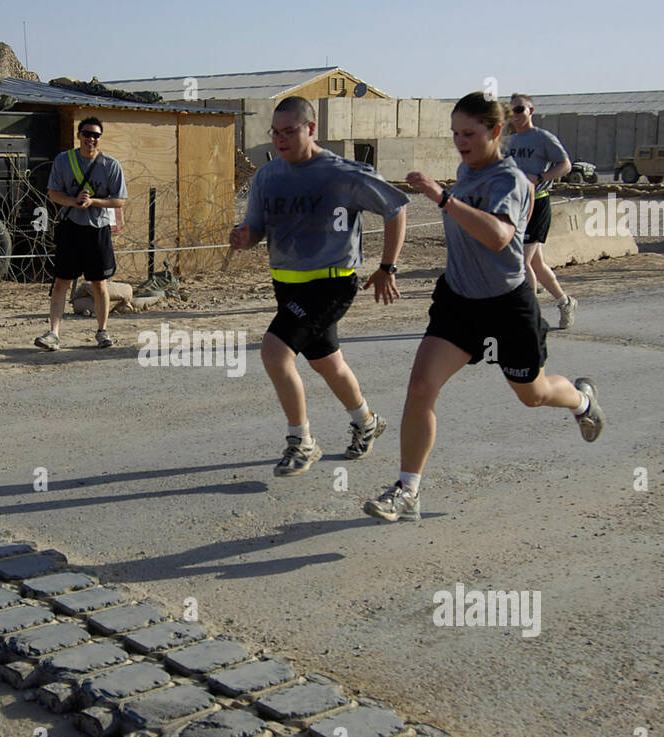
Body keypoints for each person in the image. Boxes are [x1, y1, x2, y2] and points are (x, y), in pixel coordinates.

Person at [364, 92, 605, 523]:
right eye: (455, 133)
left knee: (534, 395)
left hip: (506, 306)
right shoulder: (465, 169)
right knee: (421, 387)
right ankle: (407, 490)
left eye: (469, 133)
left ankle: (583, 402)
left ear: (496, 132)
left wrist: (444, 200)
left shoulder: (509, 180)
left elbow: (497, 237)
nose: (460, 141)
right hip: (458, 301)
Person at [229, 95, 408, 476]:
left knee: (275, 352)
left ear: (311, 129)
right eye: (274, 132)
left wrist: (387, 267)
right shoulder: (267, 176)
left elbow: (396, 208)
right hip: (288, 286)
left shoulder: (342, 173)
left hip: (332, 284)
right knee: (328, 363)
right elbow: (257, 229)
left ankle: (302, 441)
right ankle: (367, 421)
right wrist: (245, 237)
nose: (280, 139)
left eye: (289, 131)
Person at [34, 117, 128, 350]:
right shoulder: (64, 161)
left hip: (97, 229)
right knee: (61, 282)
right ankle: (53, 333)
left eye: (96, 135)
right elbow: (53, 193)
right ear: (79, 135)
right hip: (71, 227)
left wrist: (93, 201)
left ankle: (102, 330)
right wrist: (74, 203)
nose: (91, 139)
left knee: (99, 283)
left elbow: (120, 200)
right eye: (87, 134)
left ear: (100, 139)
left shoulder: (110, 165)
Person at [506, 94, 577, 327]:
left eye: (519, 110)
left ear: (531, 110)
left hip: (538, 202)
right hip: (516, 205)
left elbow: (565, 165)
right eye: (512, 110)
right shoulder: (511, 141)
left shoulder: (543, 138)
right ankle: (565, 302)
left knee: (522, 261)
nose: (515, 115)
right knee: (536, 264)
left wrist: (541, 177)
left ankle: (529, 317)